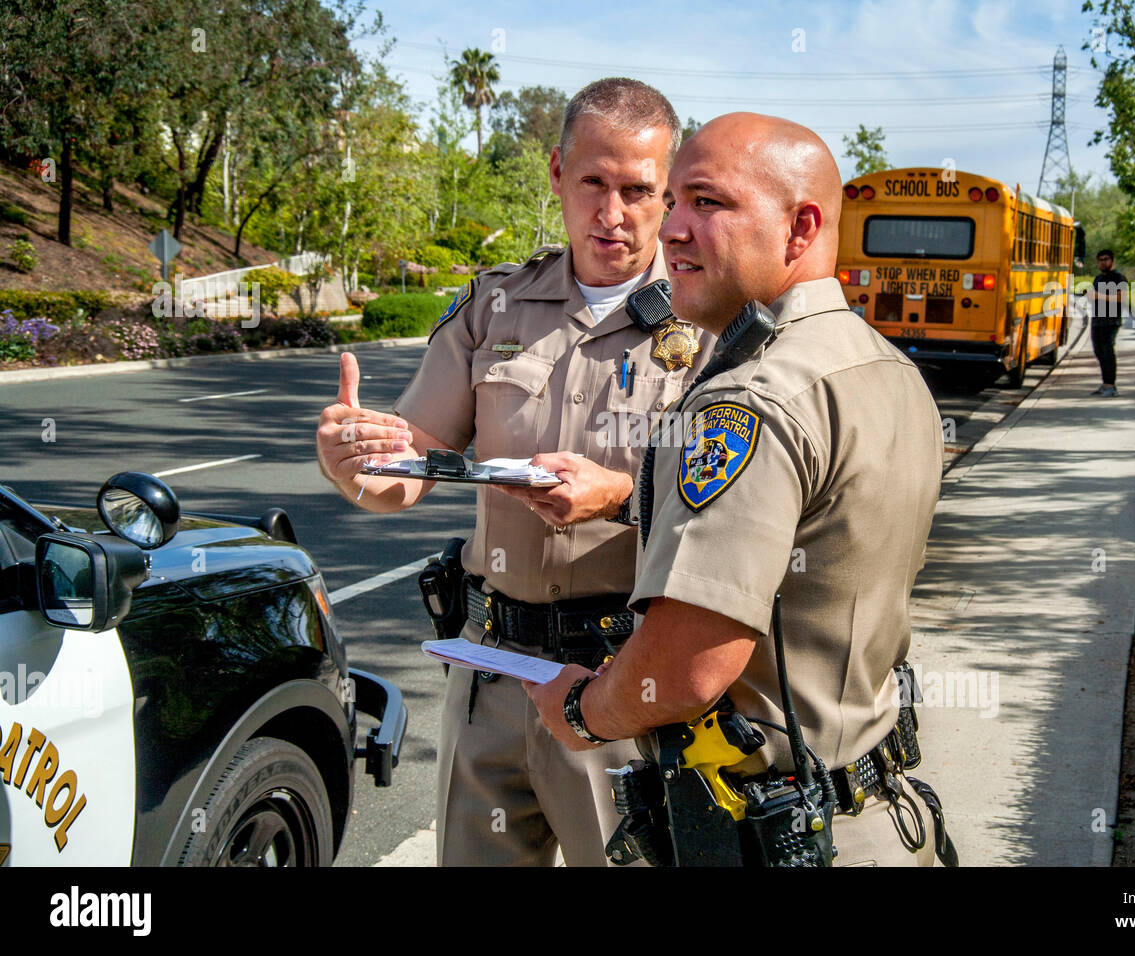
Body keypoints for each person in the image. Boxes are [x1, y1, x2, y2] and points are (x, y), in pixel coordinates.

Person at [522, 112, 948, 866]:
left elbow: (688, 667)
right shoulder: (883, 366)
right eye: (676, 201)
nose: (672, 229)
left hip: (779, 834)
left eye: (708, 203)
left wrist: (585, 711)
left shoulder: (749, 400)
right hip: (877, 809)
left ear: (800, 227)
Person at [315, 78, 715, 866]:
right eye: (594, 183)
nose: (613, 214)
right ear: (558, 172)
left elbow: (742, 507)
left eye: (639, 191)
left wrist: (618, 496)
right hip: (493, 671)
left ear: (668, 195)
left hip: (625, 679)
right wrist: (354, 463)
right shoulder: (494, 306)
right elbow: (414, 461)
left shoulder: (709, 326)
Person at [1087, 249, 1127, 397]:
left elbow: (1121, 297)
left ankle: (1111, 385)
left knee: (1108, 351)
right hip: (1097, 319)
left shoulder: (1118, 278)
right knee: (1099, 352)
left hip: (1111, 320)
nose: (1103, 262)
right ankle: (1105, 384)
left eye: (1106, 259)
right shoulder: (1098, 279)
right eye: (1100, 260)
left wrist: (1099, 295)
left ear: (1112, 261)